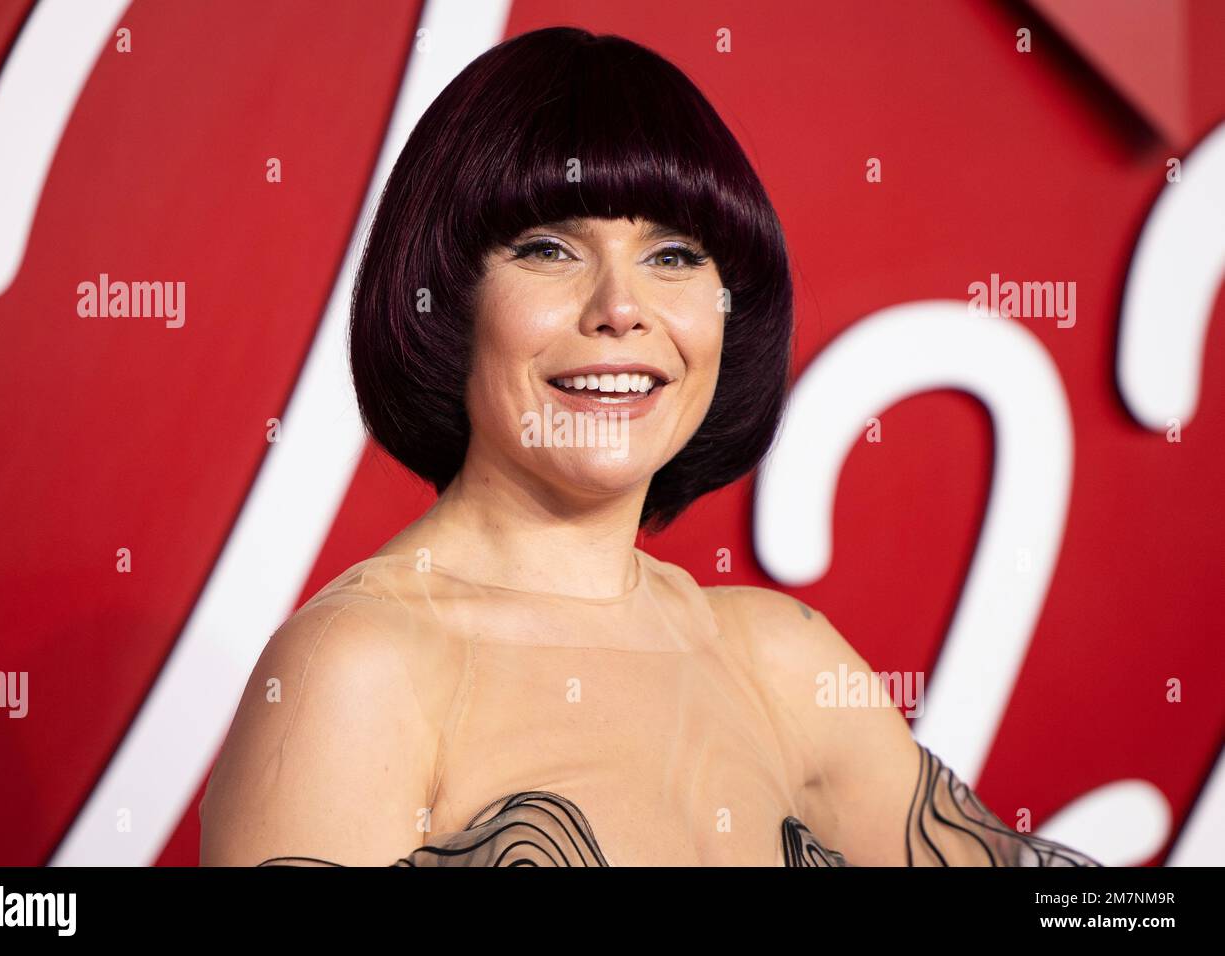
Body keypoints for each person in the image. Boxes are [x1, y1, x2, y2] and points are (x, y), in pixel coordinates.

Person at [197, 26, 1100, 867]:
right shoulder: (357, 670)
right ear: (444, 298)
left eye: (674, 256)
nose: (620, 309)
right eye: (548, 249)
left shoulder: (779, 657)